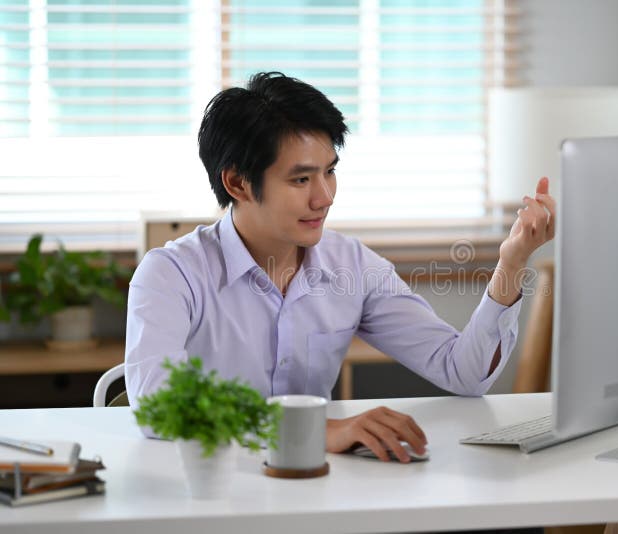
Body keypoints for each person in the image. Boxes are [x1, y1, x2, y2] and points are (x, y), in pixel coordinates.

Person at [125, 72, 556, 463]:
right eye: (301, 179)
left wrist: (512, 261)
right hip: (207, 490)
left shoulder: (353, 266)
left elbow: (464, 372)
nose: (324, 197)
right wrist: (312, 430)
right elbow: (157, 406)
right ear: (237, 183)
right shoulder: (170, 273)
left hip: (317, 488)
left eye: (329, 172)